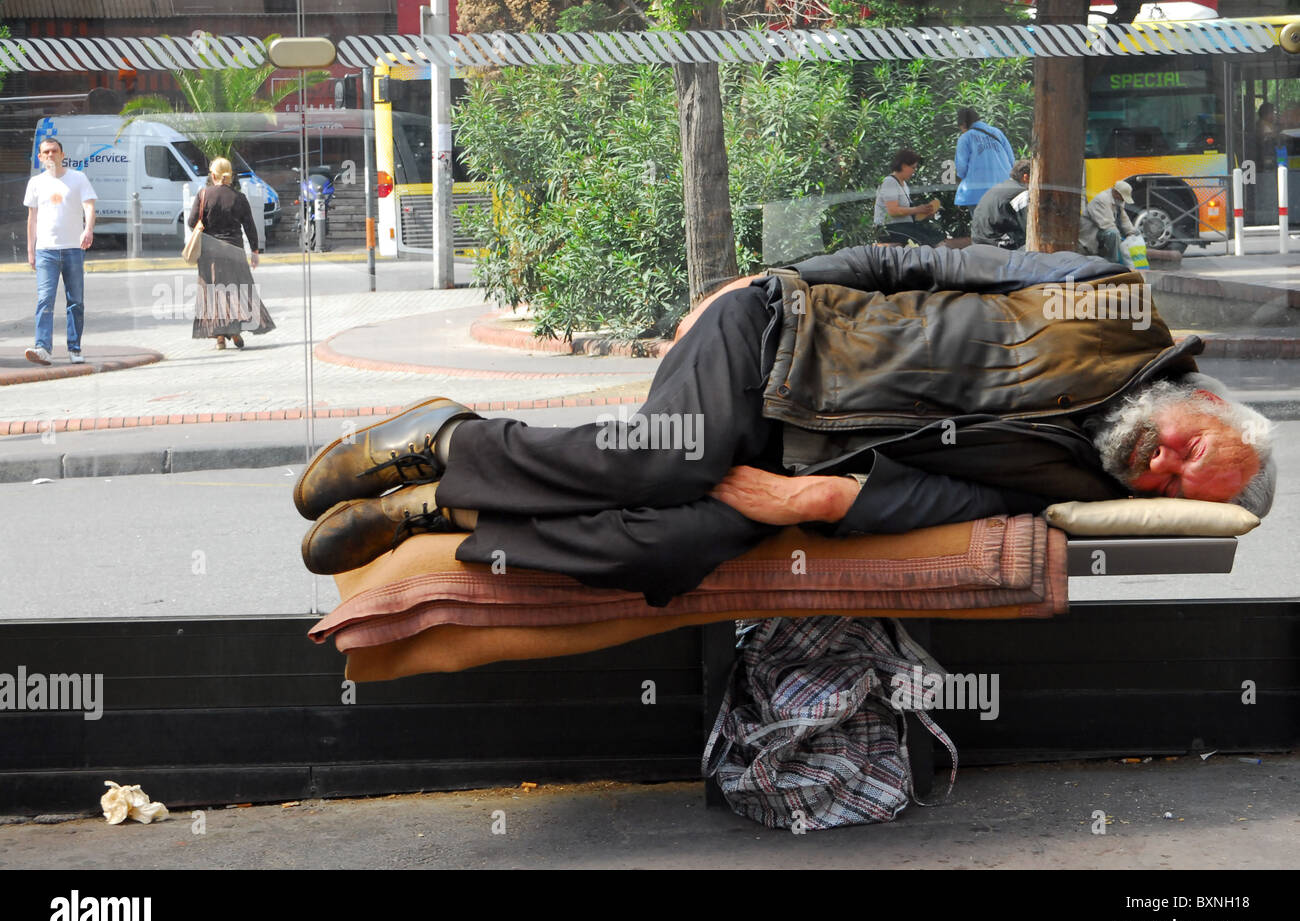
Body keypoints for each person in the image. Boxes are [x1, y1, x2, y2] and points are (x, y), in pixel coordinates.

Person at [294, 246, 1275, 606]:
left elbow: (965, 492)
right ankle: (445, 441)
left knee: (674, 548)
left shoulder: (1086, 481)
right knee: (669, 465)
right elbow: (911, 262)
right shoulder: (1110, 304)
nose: (1165, 471)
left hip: (799, 452)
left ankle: (439, 515)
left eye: (1177, 492)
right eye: (1191, 455)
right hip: (777, 340)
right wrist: (770, 283)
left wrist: (832, 496)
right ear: (1204, 403)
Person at [23, 137, 97, 366]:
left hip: (73, 249)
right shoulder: (36, 183)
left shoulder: (78, 178)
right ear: (40, 157)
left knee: (75, 301)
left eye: (54, 151)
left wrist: (88, 229)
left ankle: (74, 348)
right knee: (45, 300)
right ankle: (42, 348)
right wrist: (31, 249)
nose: (50, 155)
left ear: (62, 154)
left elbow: (89, 205)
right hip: (46, 250)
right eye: (45, 152)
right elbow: (32, 218)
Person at [187, 157, 275, 350]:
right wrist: (255, 251)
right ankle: (234, 331)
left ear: (213, 175)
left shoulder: (203, 195)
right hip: (234, 250)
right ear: (229, 175)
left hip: (209, 253)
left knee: (213, 293)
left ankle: (219, 337)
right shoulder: (239, 198)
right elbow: (250, 226)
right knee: (237, 292)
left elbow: (191, 222)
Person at [873, 149, 945, 246]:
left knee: (937, 236)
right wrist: (917, 209)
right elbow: (893, 211)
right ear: (903, 166)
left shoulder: (904, 185)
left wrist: (924, 213)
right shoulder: (890, 182)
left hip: (905, 226)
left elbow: (908, 213)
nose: (914, 171)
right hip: (888, 229)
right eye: (913, 168)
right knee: (924, 242)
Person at [953, 107, 1015, 209]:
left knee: (981, 224)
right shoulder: (997, 132)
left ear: (963, 124)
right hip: (1005, 190)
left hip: (978, 193)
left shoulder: (965, 138)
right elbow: (1011, 160)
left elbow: (961, 168)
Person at [971, 158, 1031, 248]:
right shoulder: (1021, 193)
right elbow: (1029, 227)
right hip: (998, 245)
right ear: (1026, 177)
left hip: (978, 241)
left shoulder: (1000, 187)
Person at [1079, 179, 1139, 264]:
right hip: (1092, 233)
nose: (1123, 200)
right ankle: (1112, 262)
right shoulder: (1102, 199)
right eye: (1122, 197)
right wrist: (1121, 240)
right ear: (1116, 193)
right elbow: (1107, 224)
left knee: (1136, 233)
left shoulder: (1118, 200)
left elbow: (1123, 218)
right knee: (1113, 233)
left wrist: (1131, 233)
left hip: (1103, 230)